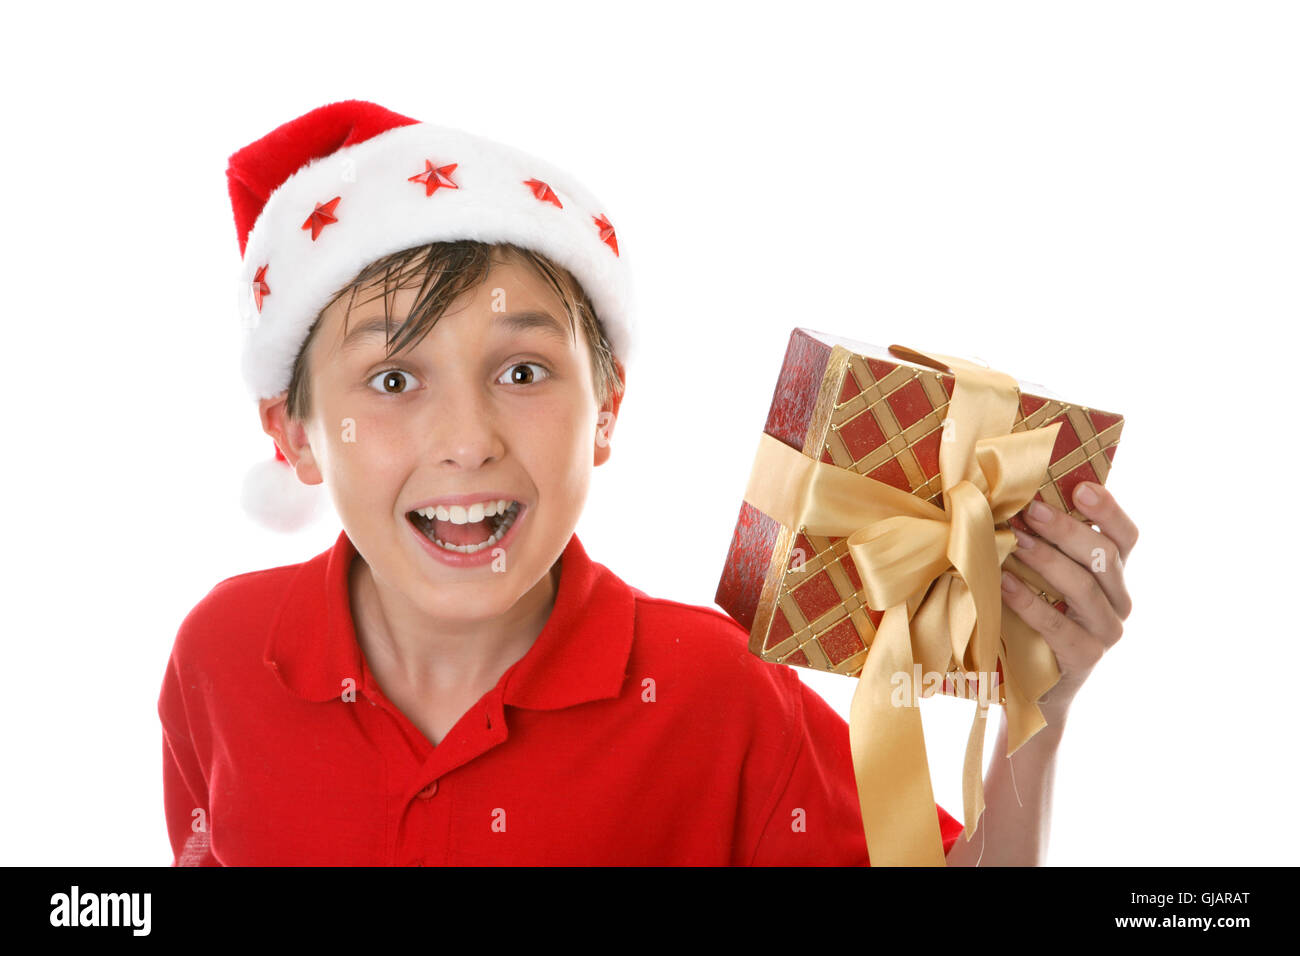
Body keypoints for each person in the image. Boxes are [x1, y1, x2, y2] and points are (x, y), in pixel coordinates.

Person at [158, 99, 1138, 866]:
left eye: (522, 370)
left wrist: (1031, 722)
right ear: (290, 433)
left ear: (609, 408)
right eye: (393, 378)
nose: (466, 440)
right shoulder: (219, 657)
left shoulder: (718, 694)